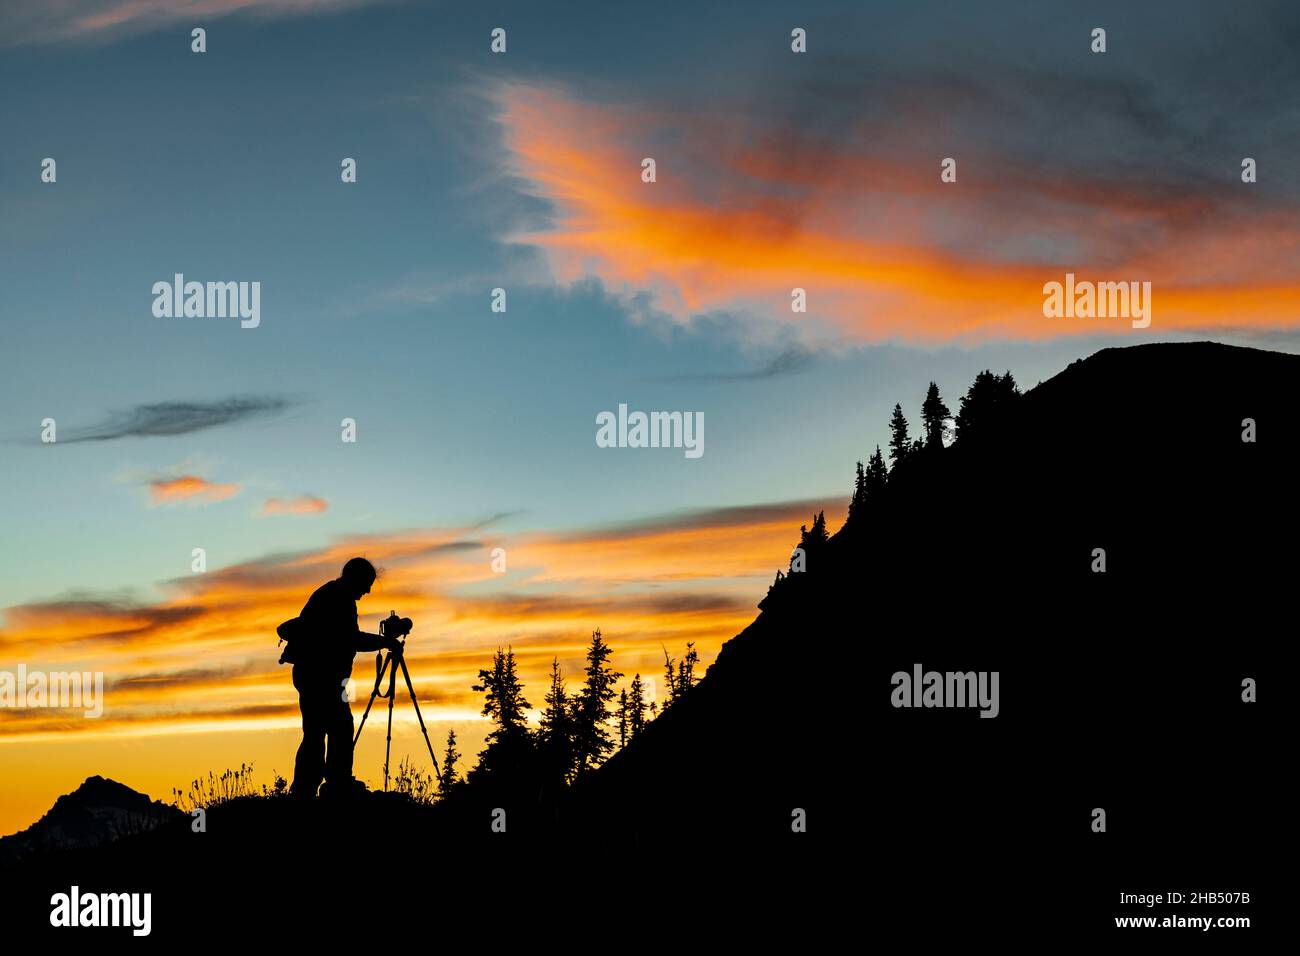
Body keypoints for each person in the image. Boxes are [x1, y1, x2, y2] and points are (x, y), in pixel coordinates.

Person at [289, 557, 400, 799]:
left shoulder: (332, 594)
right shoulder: (339, 599)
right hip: (321, 677)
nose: (368, 590)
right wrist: (384, 642)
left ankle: (309, 789)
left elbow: (348, 638)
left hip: (316, 675)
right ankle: (334, 785)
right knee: (336, 728)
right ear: (355, 578)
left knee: (318, 731)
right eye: (367, 583)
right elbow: (351, 639)